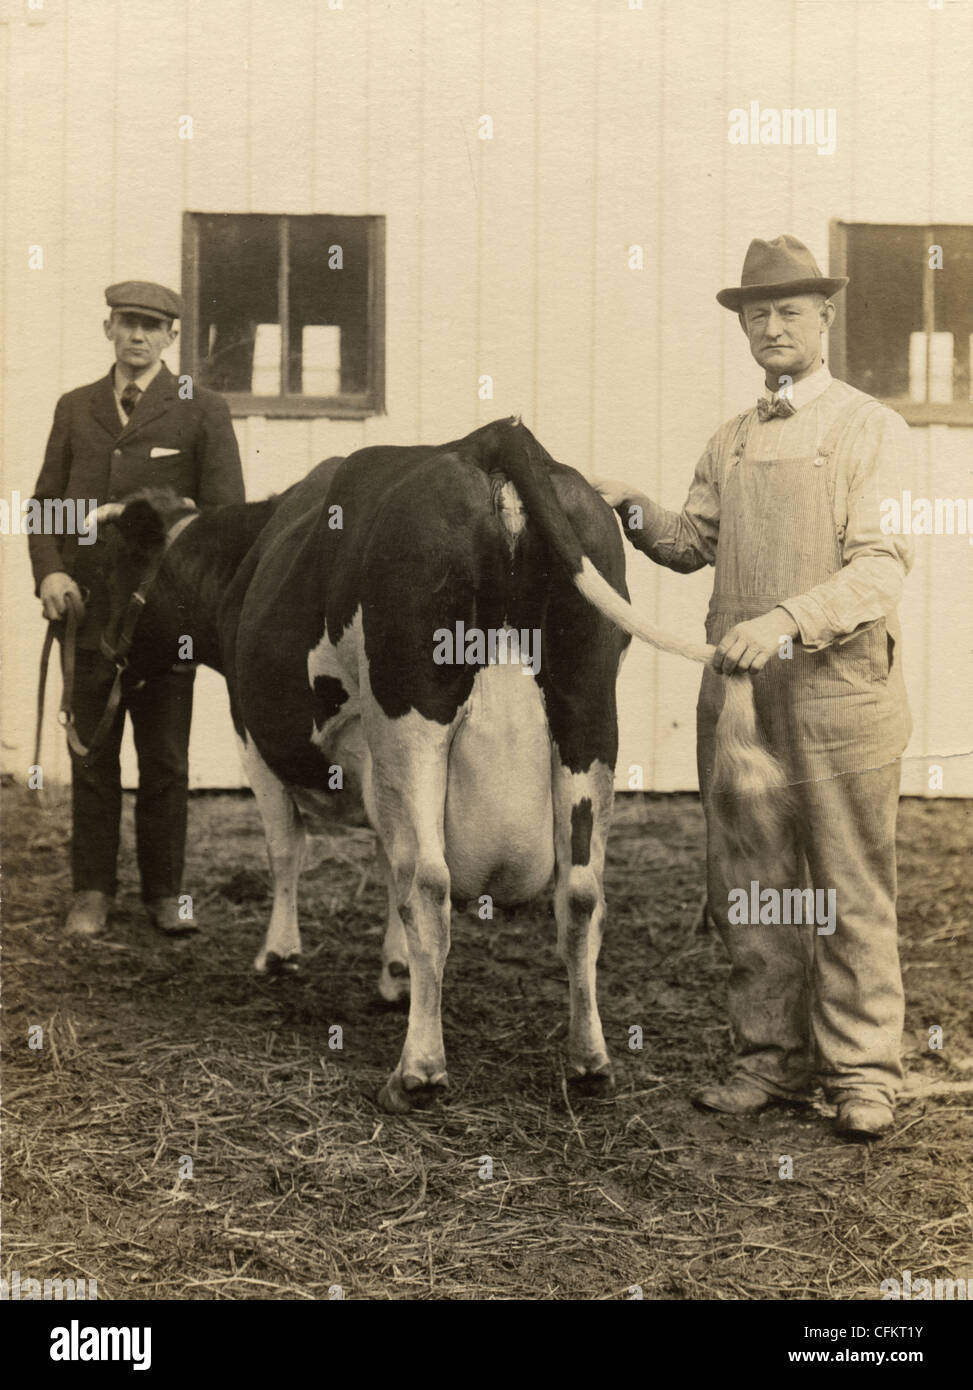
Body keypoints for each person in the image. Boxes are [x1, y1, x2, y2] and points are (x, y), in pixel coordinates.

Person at [596, 235, 914, 1140]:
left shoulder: (867, 427)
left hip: (839, 697)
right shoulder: (731, 438)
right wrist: (630, 508)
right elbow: (692, 543)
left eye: (789, 311)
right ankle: (767, 1063)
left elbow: (879, 568)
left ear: (824, 318)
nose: (772, 327)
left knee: (848, 888)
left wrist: (781, 621)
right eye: (756, 315)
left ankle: (862, 1075)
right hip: (739, 705)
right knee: (755, 888)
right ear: (742, 329)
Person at [29, 281, 245, 938]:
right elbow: (46, 506)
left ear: (171, 337)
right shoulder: (75, 408)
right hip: (89, 612)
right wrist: (53, 572)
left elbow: (225, 521)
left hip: (162, 620)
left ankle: (166, 893)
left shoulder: (201, 410)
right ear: (109, 329)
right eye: (127, 323)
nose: (138, 336)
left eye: (152, 326)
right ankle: (92, 891)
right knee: (91, 753)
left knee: (166, 758)